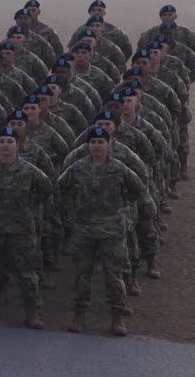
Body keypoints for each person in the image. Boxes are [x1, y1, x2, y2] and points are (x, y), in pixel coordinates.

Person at [60, 127, 147, 336]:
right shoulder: (78, 167)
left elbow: (138, 188)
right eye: (93, 142)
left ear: (109, 145)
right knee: (83, 274)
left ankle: (117, 318)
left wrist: (122, 206)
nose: (97, 145)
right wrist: (74, 209)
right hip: (85, 229)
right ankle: (79, 317)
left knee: (114, 275)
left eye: (101, 142)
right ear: (88, 145)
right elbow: (63, 186)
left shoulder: (119, 168)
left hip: (112, 229)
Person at [0, 128, 53, 329]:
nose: (5, 145)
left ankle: (32, 313)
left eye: (9, 141)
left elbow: (46, 188)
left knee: (27, 272)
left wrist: (29, 204)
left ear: (17, 145)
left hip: (21, 228)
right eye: (1, 141)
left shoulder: (28, 169)